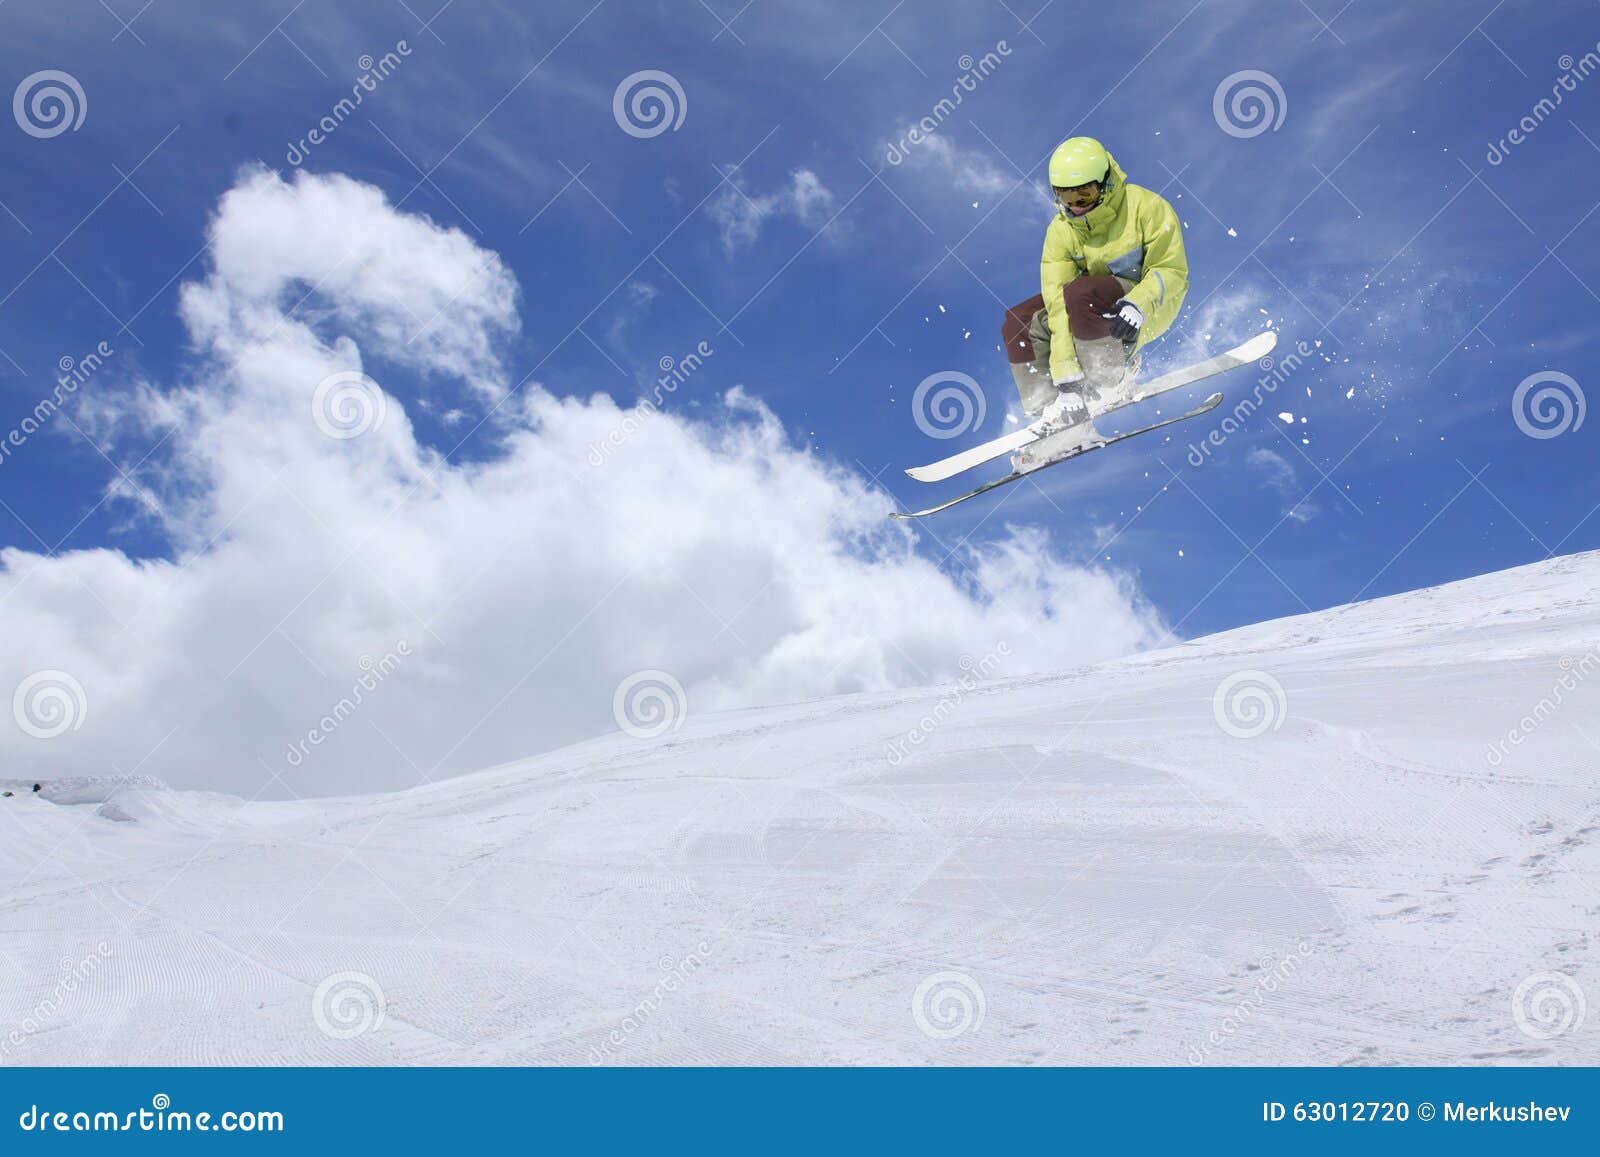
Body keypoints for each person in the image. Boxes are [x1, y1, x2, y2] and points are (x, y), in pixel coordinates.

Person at [1001, 136, 1188, 465]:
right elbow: (1058, 309)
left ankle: (1109, 379)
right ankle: (1055, 415)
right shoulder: (1060, 232)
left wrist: (1138, 305)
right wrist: (1067, 380)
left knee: (1081, 293)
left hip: (1148, 305)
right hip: (1088, 307)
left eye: (1084, 194)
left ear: (1106, 183)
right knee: (1019, 322)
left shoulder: (1146, 207)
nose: (1077, 205)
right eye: (1066, 196)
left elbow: (1171, 271)